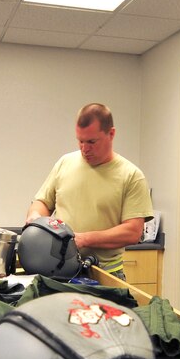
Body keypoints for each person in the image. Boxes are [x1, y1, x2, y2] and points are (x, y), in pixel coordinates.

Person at [26, 103, 153, 279]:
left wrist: (85, 239)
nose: (85, 149)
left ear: (111, 134)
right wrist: (35, 219)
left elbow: (133, 231)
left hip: (104, 274)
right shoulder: (65, 163)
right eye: (80, 141)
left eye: (92, 142)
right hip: (60, 271)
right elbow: (42, 202)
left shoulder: (131, 175)